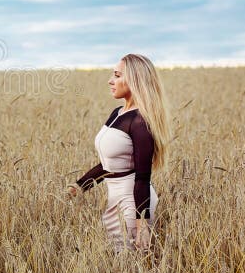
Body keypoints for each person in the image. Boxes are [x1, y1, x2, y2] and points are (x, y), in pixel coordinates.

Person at [67, 53, 172, 252]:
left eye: (117, 75)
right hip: (114, 199)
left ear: (134, 80)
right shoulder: (118, 113)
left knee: (133, 268)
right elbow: (109, 165)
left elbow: (142, 177)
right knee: (118, 269)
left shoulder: (141, 122)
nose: (110, 80)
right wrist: (79, 186)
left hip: (132, 204)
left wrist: (141, 225)